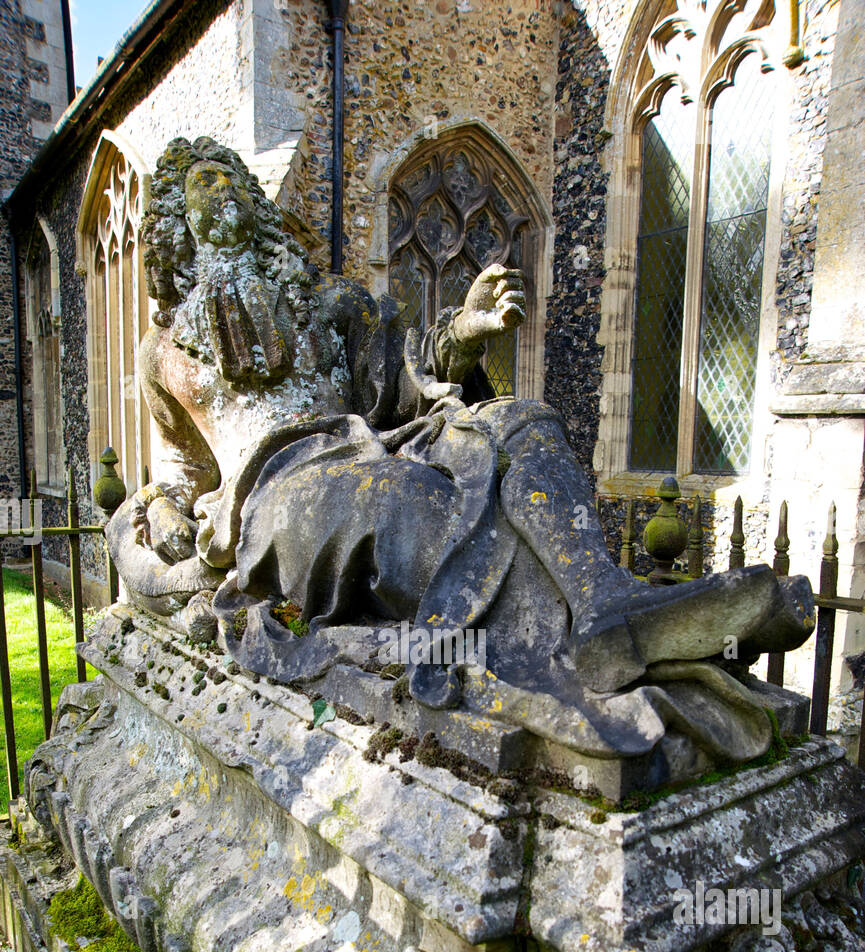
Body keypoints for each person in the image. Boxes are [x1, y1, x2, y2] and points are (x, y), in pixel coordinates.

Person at [106, 136, 813, 761]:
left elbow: (398, 378)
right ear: (176, 221)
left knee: (520, 420)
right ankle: (567, 641)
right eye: (203, 181)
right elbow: (182, 471)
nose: (223, 189)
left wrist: (464, 332)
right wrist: (162, 508)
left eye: (231, 177)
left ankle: (603, 601)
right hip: (276, 491)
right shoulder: (162, 352)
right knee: (404, 499)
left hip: (374, 440)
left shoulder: (329, 305)